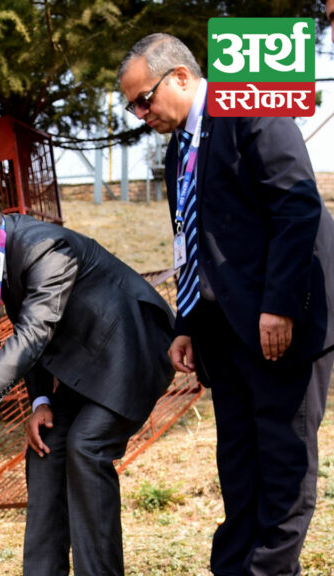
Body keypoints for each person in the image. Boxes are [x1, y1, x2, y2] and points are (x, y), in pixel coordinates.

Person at [117, 33, 334, 576]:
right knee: (240, 465)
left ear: (183, 77)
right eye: (132, 107)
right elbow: (192, 242)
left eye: (145, 99)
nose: (142, 114)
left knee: (283, 464)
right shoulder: (178, 152)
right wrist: (187, 323)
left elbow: (296, 205)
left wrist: (279, 305)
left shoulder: (252, 104)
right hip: (225, 331)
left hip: (282, 320)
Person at [0, 181, 175, 576]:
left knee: (86, 446)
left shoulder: (43, 247)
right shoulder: (3, 256)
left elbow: (36, 332)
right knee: (46, 448)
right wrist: (40, 403)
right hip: (86, 366)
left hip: (134, 353)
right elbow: (30, 335)